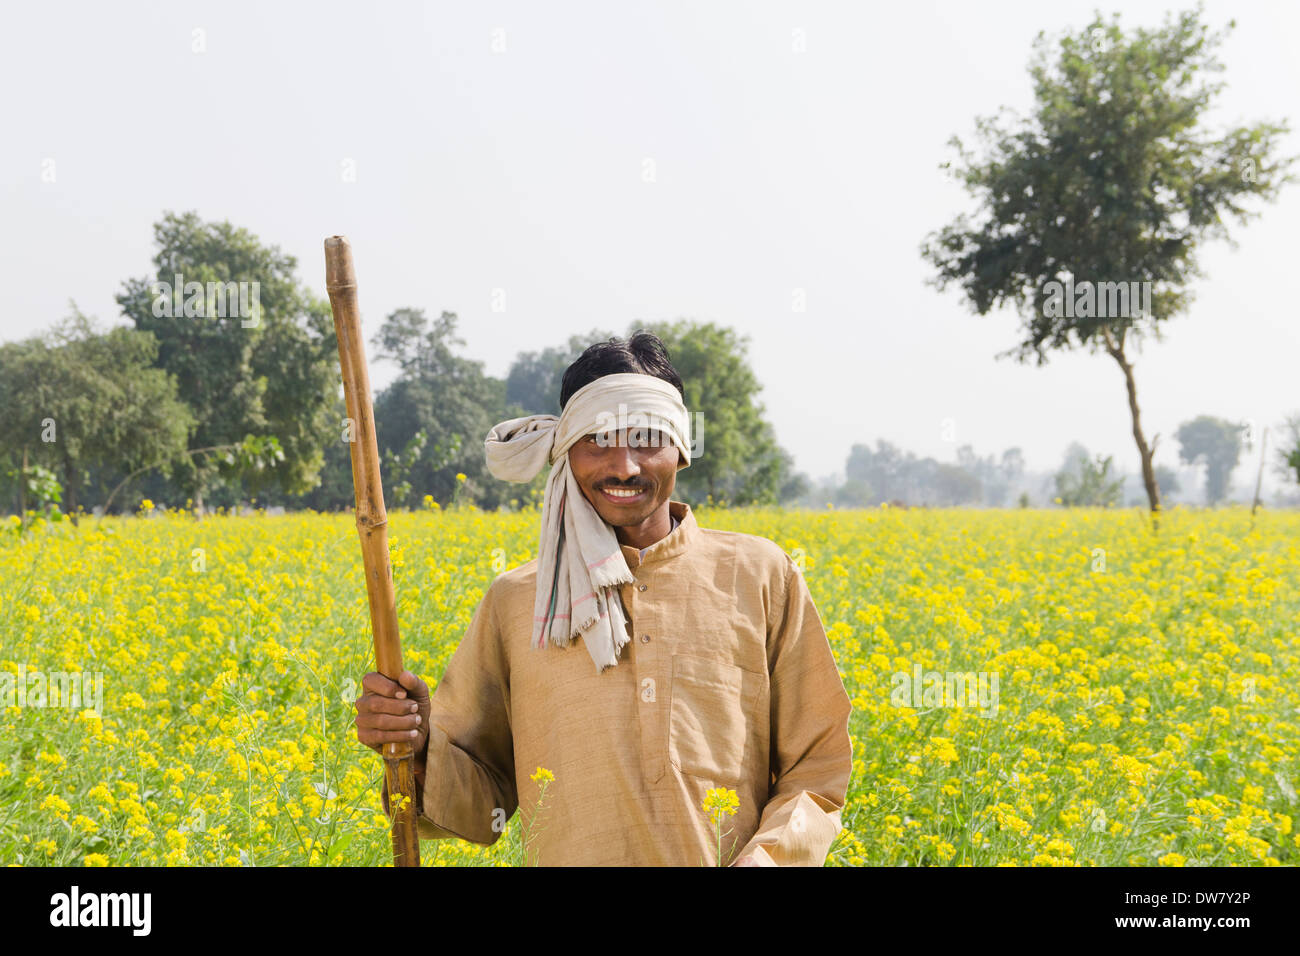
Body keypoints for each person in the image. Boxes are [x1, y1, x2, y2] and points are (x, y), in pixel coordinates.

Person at [354, 331, 852, 866]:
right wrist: (418, 745)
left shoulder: (760, 575)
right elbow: (482, 805)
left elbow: (816, 769)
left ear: (681, 450)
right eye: (598, 441)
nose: (624, 466)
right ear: (565, 453)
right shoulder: (518, 599)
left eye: (645, 438)